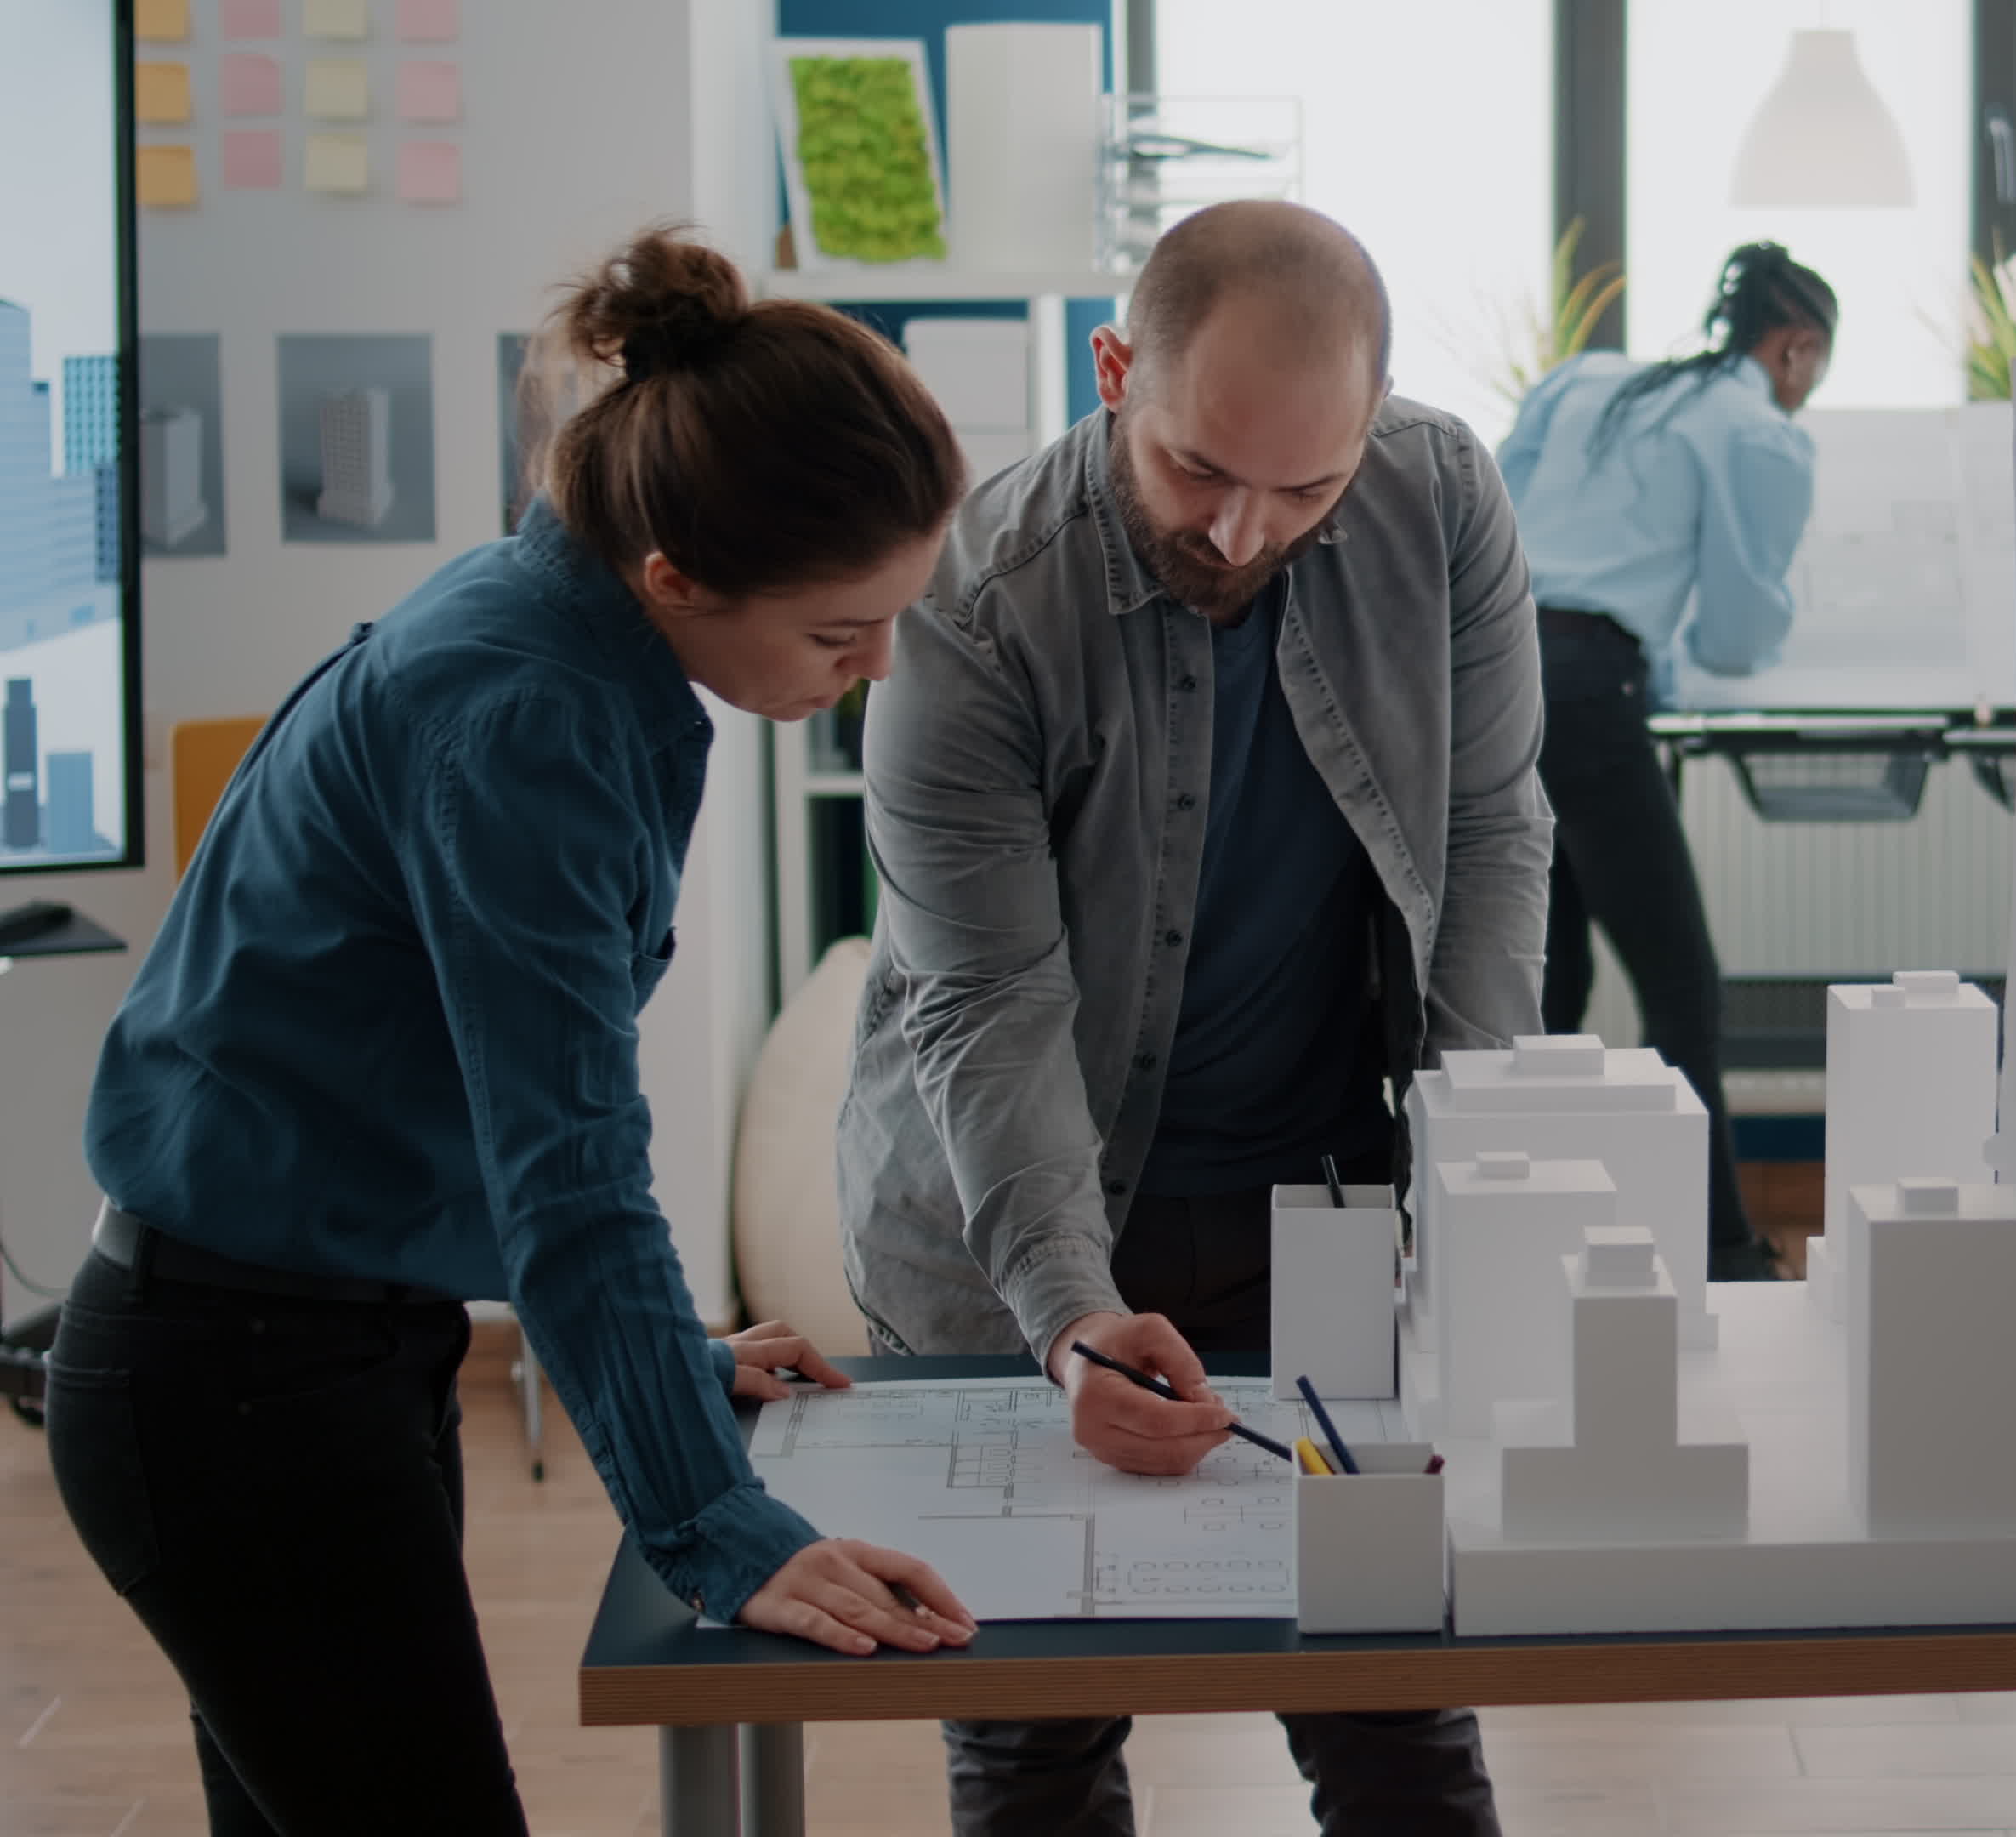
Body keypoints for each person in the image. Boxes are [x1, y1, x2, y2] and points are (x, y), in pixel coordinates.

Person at [48, 228, 981, 1834]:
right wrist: (719, 1521)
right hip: (235, 1387)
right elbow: (568, 1171)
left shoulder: (568, 622)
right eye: (840, 633)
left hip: (306, 1348)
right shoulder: (525, 713)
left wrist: (660, 1371)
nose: (878, 664)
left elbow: (421, 1084)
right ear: (677, 579)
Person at [838, 200, 1543, 1834]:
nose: (1240, 534)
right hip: (1001, 1224)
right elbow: (985, 996)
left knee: (1392, 1703)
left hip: (1318, 1208)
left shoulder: (1441, 502)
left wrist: (1474, 1171)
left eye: (1306, 488)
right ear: (1111, 375)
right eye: (1197, 472)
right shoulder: (968, 599)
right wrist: (1071, 1311)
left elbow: (1496, 835)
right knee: (1034, 1733)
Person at [1495, 241, 1838, 1284]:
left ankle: (1518, 1239)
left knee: (1549, 984)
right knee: (1683, 986)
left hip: (1495, 684)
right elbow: (1738, 632)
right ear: (1797, 349)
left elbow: (1492, 515)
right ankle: (1725, 1254)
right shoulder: (1755, 432)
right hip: (1595, 699)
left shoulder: (1587, 381)